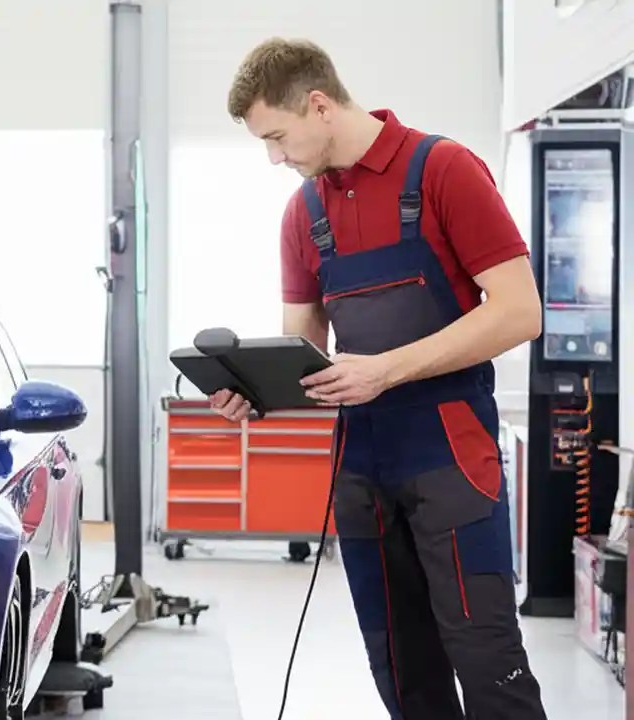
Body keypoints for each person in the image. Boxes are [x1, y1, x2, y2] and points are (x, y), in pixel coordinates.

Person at [219, 38, 549, 720]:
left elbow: (521, 312)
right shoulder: (302, 214)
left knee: (489, 667)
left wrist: (386, 371)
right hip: (362, 468)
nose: (274, 157)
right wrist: (255, 388)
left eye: (277, 137)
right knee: (403, 674)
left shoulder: (444, 171)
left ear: (318, 105)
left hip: (453, 456)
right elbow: (304, 343)